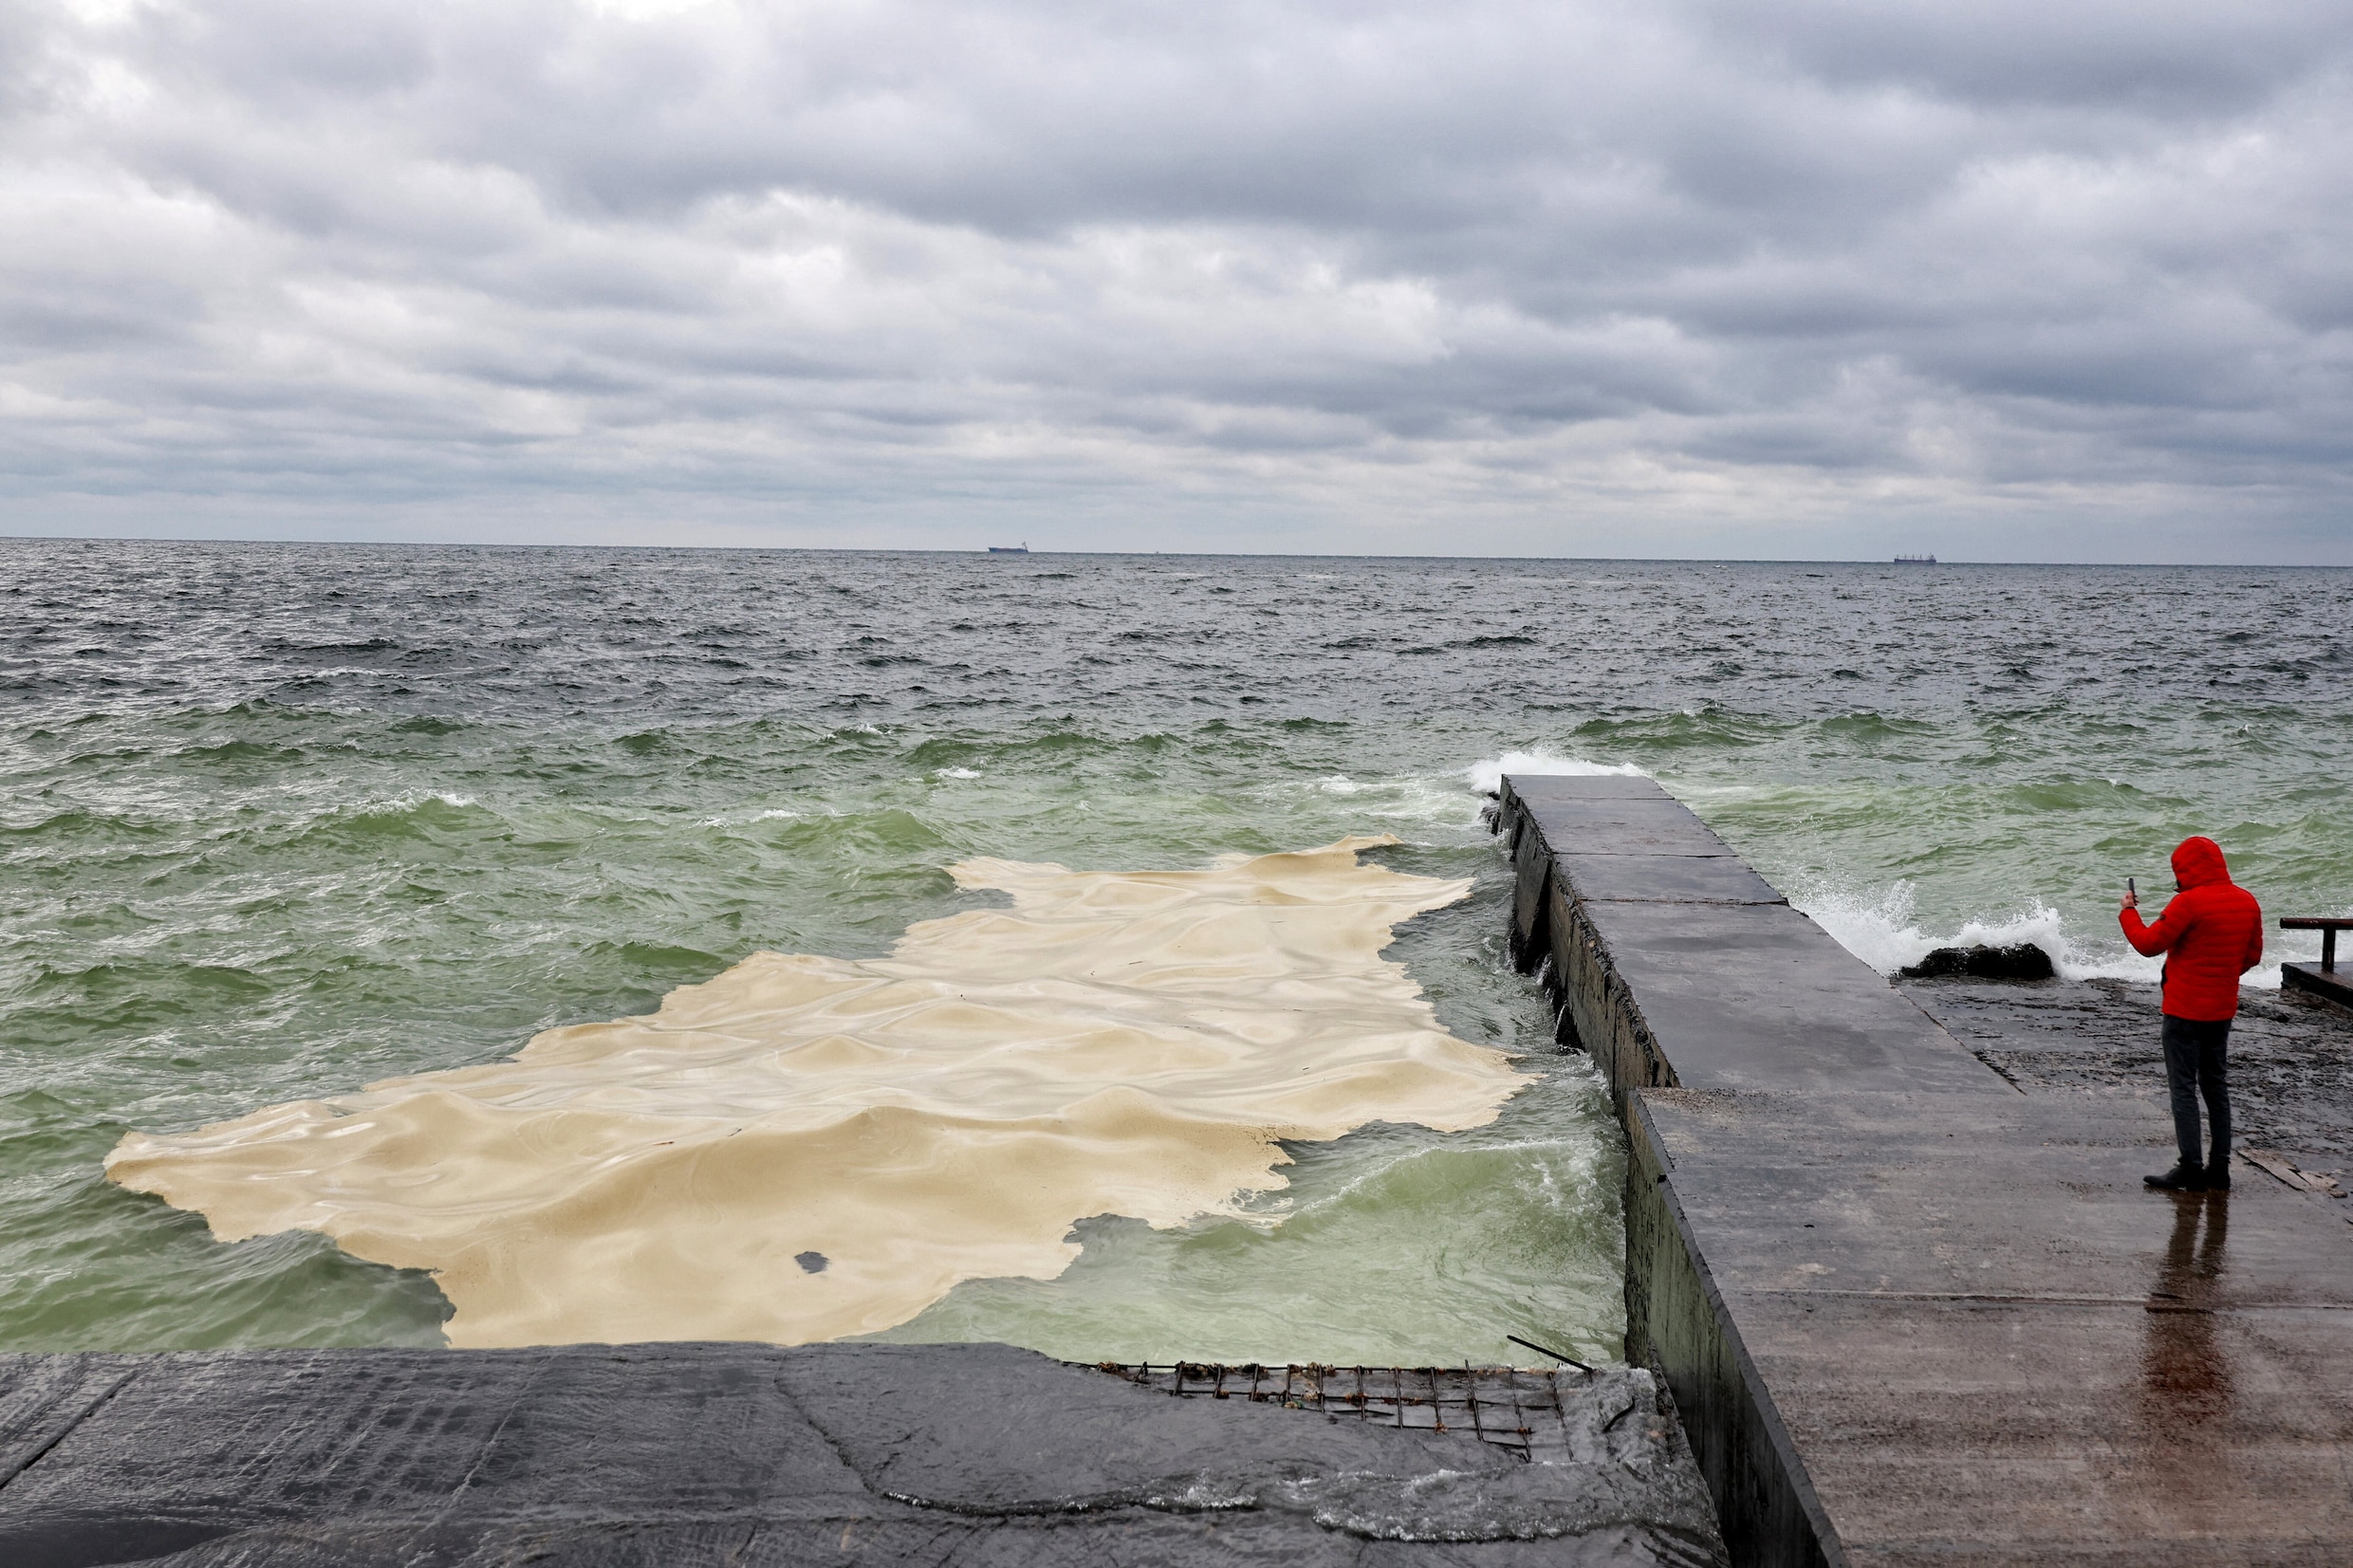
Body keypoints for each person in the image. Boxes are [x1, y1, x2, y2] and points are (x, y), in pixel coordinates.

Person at [2120, 837, 2263, 1191]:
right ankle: (2220, 1169)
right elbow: (2253, 956)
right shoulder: (2247, 901)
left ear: (2183, 869)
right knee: (2216, 1086)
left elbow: (2149, 944)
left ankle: (2190, 1168)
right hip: (2221, 1009)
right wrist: (2220, 976)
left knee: (2183, 1088)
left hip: (2183, 1010)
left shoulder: (2188, 902)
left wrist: (2127, 911)